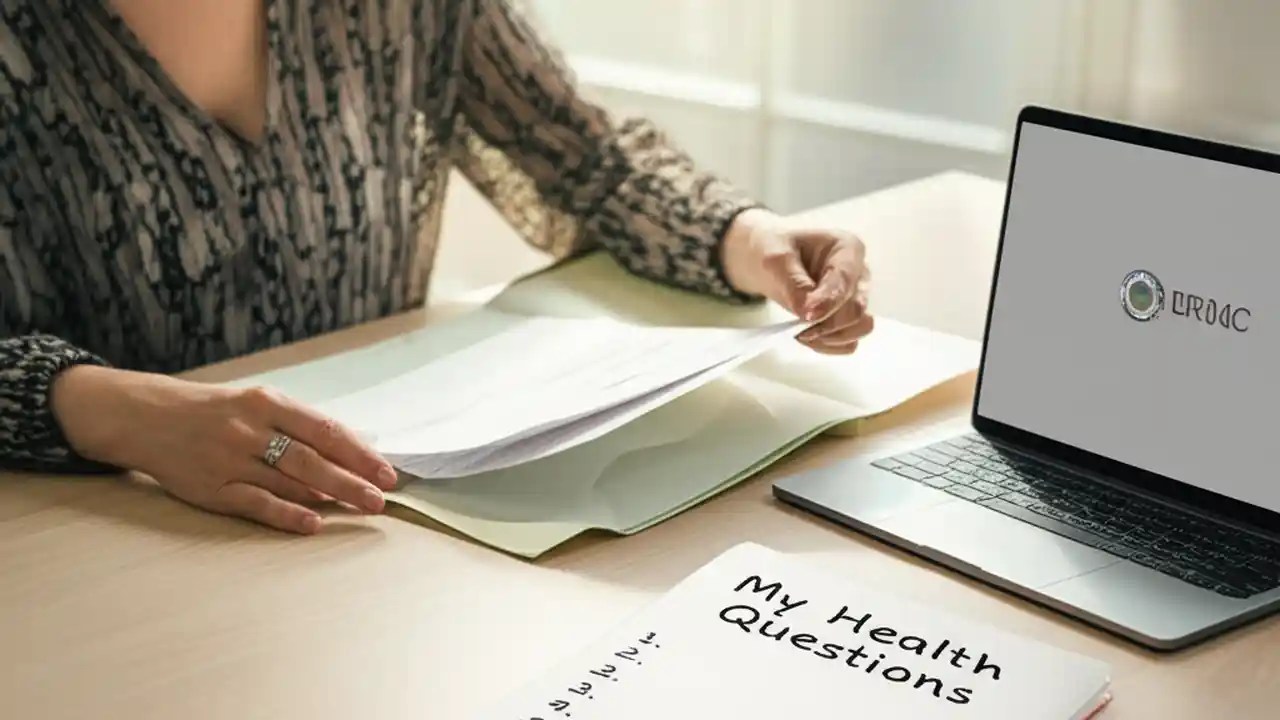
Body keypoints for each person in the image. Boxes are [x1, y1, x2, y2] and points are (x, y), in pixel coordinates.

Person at [0, 0, 873, 534]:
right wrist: (121, 415)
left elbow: (585, 157)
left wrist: (748, 236)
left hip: (384, 522)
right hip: (100, 532)